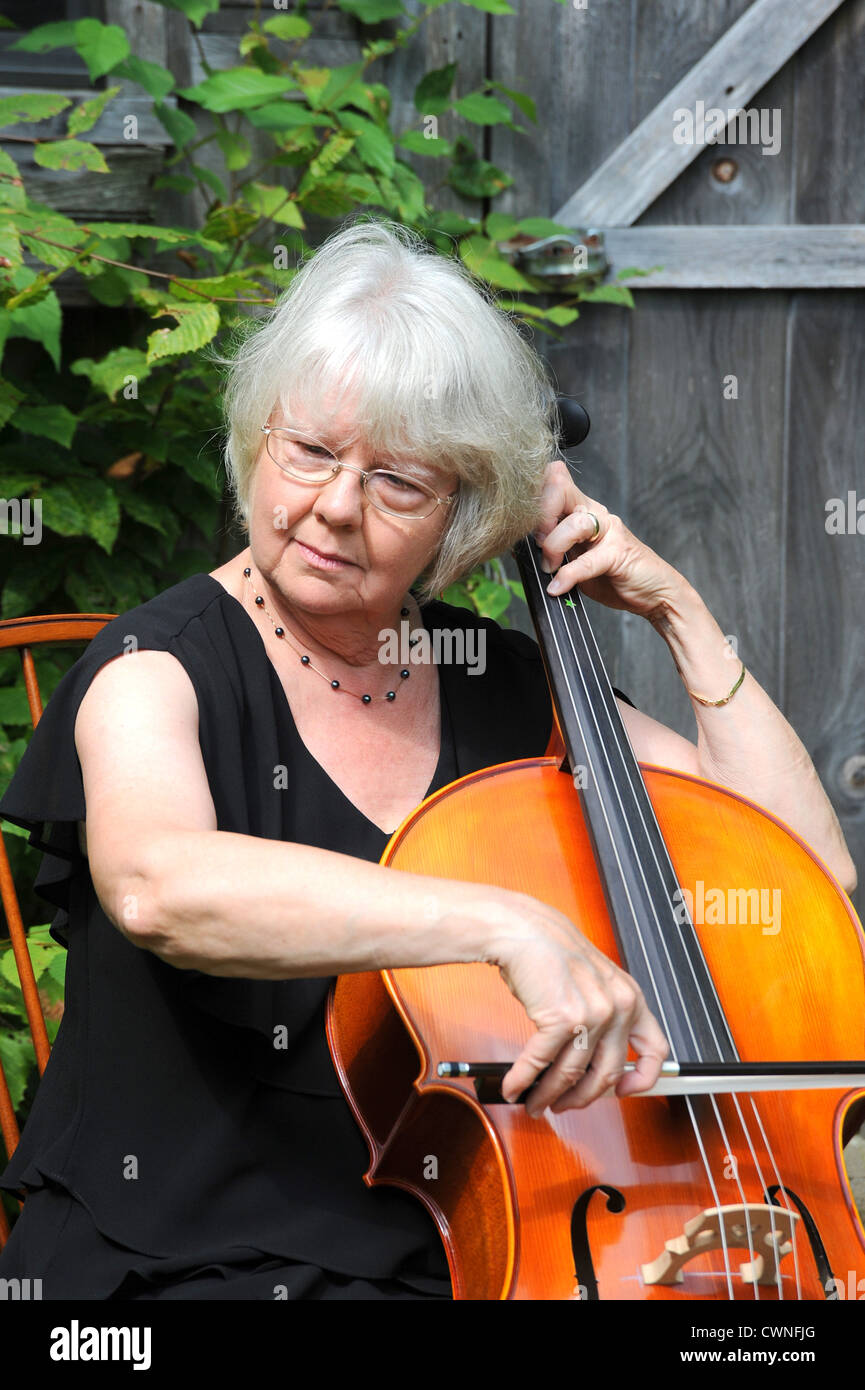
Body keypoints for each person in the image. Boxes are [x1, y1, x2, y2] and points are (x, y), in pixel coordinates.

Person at [0, 218, 855, 1302]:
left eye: (399, 482)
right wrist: (505, 922)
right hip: (182, 1258)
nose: (336, 508)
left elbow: (803, 876)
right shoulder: (156, 665)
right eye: (309, 451)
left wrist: (680, 615)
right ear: (258, 436)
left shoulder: (504, 687)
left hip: (459, 1246)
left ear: (467, 513)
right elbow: (158, 883)